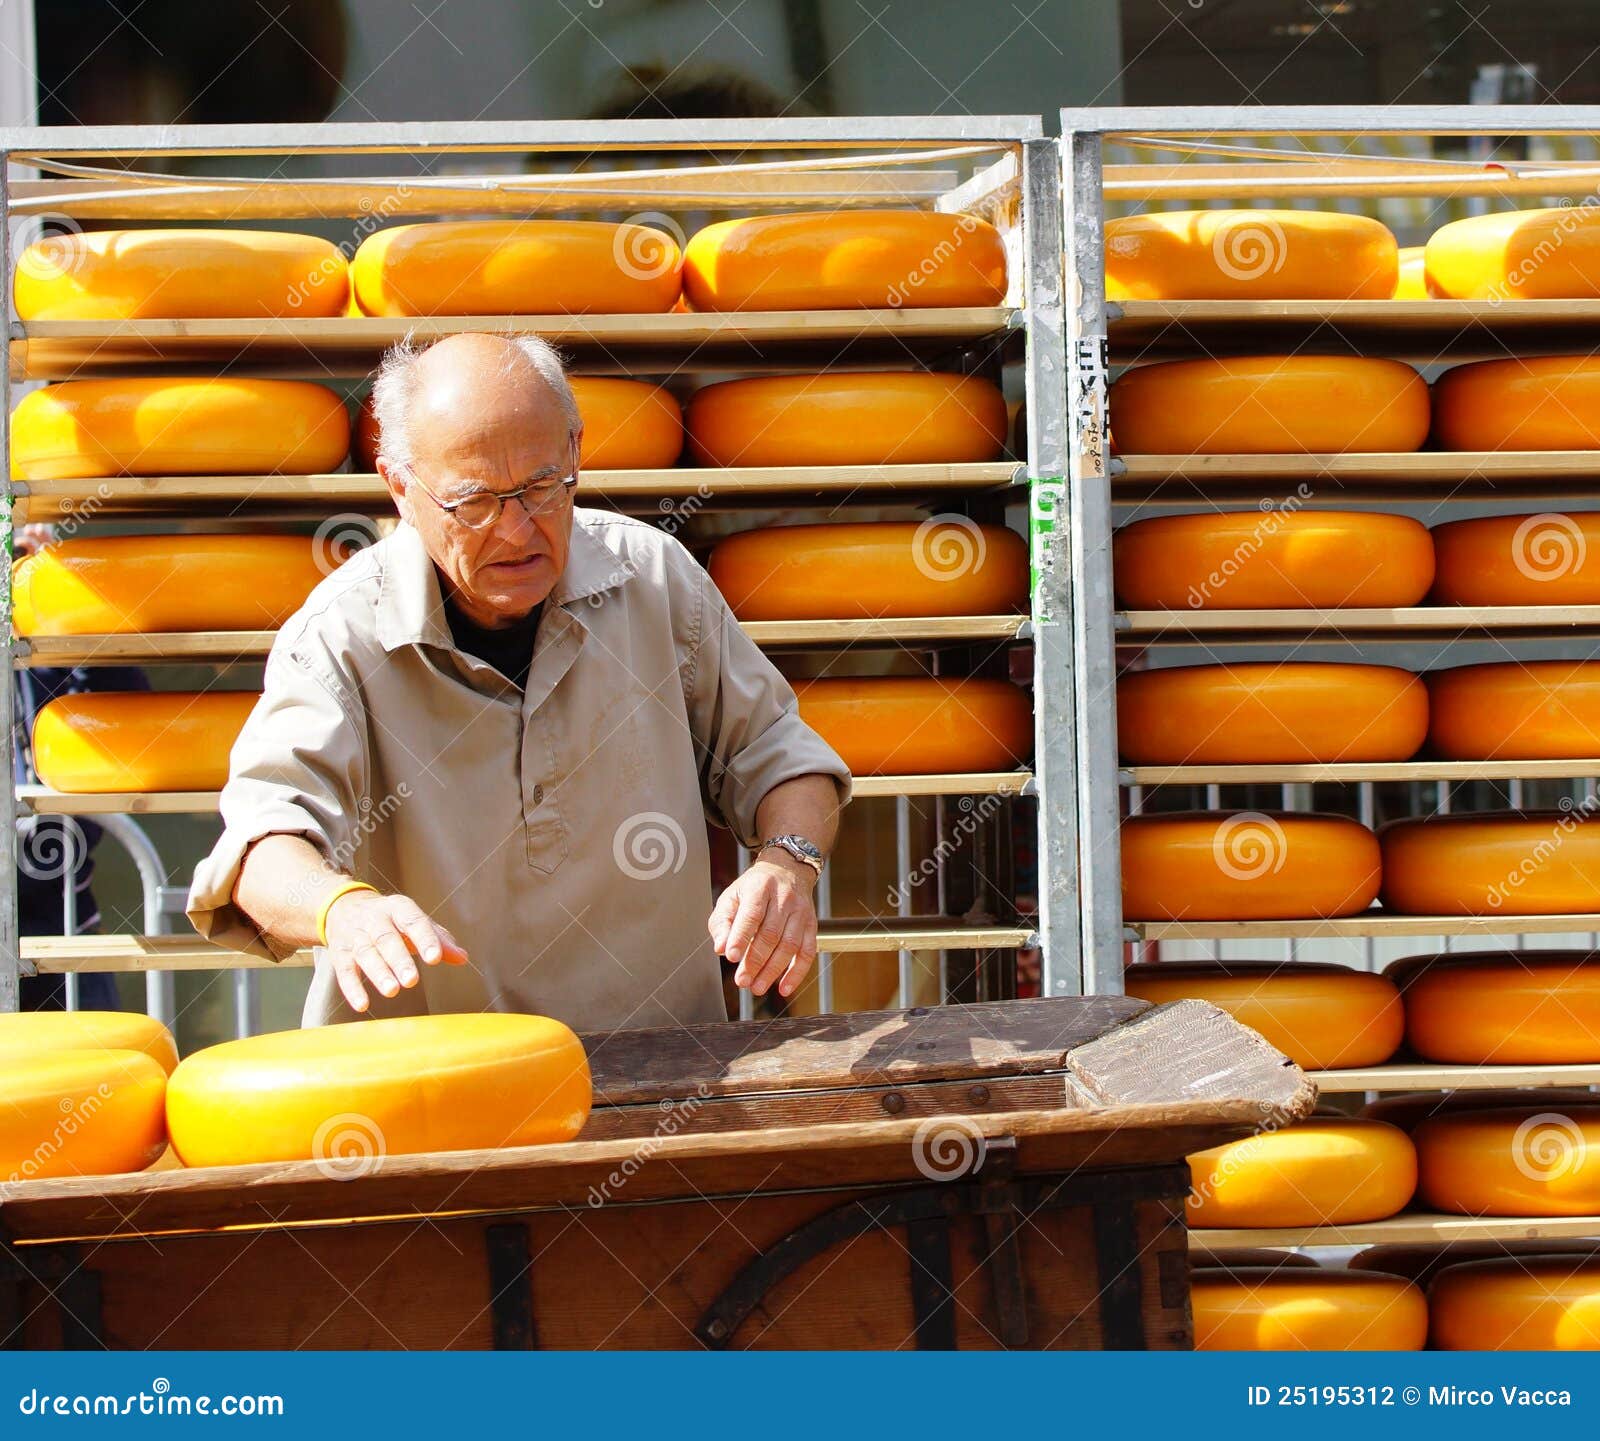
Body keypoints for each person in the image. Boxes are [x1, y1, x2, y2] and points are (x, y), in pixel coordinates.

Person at [186, 333, 851, 1032]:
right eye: (475, 502)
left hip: (665, 1071)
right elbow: (263, 842)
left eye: (541, 487)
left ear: (575, 452)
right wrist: (339, 907)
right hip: (431, 1089)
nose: (516, 530)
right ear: (402, 489)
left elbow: (783, 756)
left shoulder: (656, 581)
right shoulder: (339, 637)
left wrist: (788, 864)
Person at [12, 522, 151, 1011]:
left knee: (90, 1069)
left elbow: (139, 725)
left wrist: (68, 597)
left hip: (66, 917)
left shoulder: (55, 654)